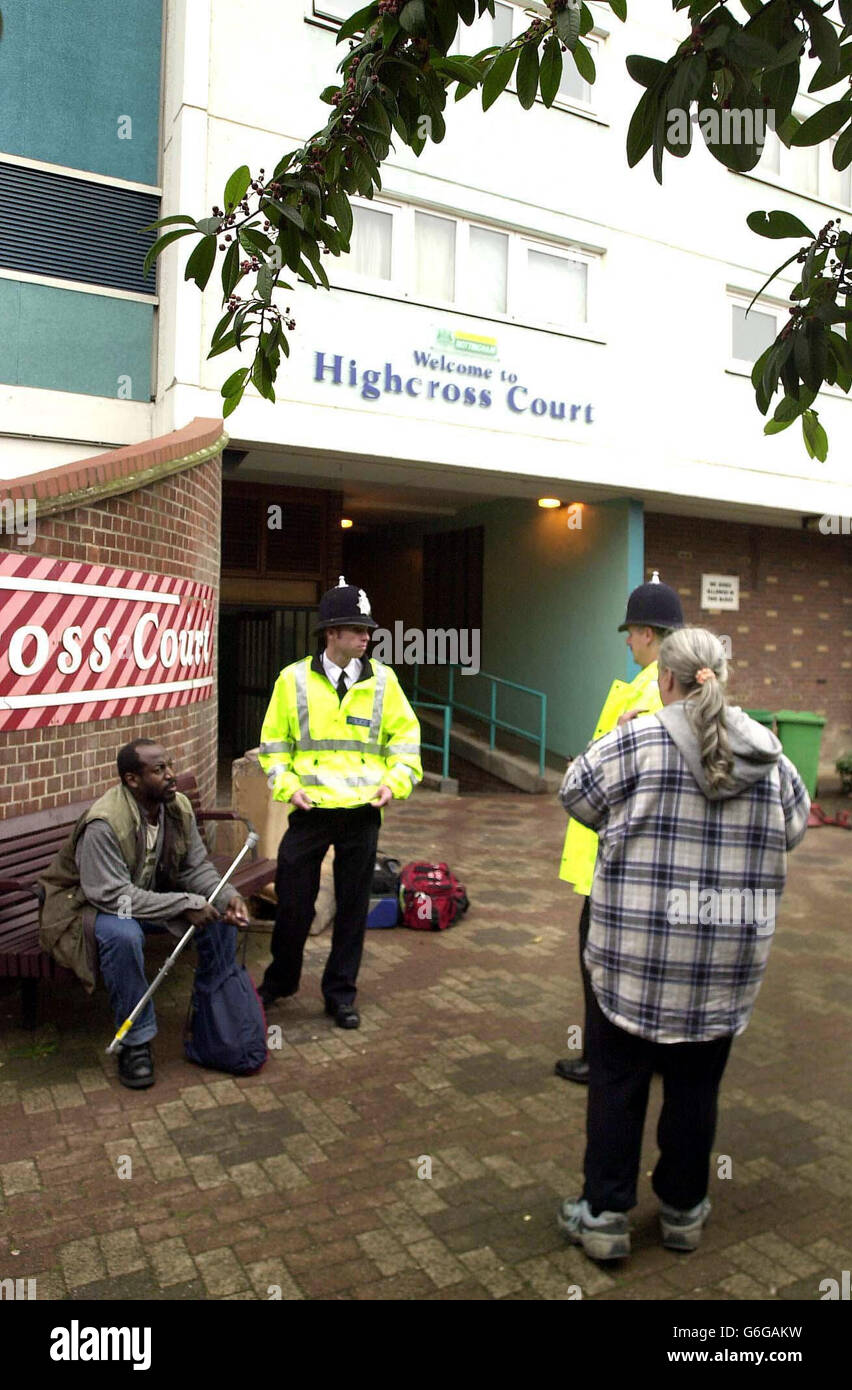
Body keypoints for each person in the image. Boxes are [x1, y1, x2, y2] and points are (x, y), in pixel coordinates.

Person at [556, 628, 810, 1261]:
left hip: (633, 962)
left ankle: (606, 1215)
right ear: (721, 677)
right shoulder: (769, 755)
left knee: (617, 1086)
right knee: (696, 1089)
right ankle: (682, 1211)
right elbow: (797, 827)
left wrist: (627, 733)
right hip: (722, 965)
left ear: (665, 680)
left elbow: (575, 796)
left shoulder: (637, 739)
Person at [256, 577, 422, 1029]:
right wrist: (289, 788)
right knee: (293, 904)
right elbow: (273, 746)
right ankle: (281, 981)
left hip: (362, 814)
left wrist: (396, 784)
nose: (367, 636)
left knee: (352, 909)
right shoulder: (292, 680)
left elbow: (406, 742)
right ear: (331, 633)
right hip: (309, 813)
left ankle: (340, 994)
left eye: (368, 629)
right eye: (356, 629)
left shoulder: (384, 682)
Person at [39, 739, 249, 1089]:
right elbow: (111, 896)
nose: (171, 776)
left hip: (144, 893)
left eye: (170, 766)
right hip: (91, 905)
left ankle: (210, 1019)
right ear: (132, 779)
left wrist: (225, 896)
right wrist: (184, 903)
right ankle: (134, 1042)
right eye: (159, 770)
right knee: (124, 935)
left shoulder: (176, 806)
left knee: (219, 920)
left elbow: (195, 867)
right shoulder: (105, 823)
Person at [555, 571, 684, 1084]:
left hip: (619, 855)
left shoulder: (651, 691)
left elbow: (627, 774)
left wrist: (583, 771)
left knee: (601, 959)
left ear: (648, 634)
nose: (628, 641)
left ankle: (603, 1060)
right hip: (637, 854)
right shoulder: (667, 685)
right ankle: (638, 1053)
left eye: (630, 632)